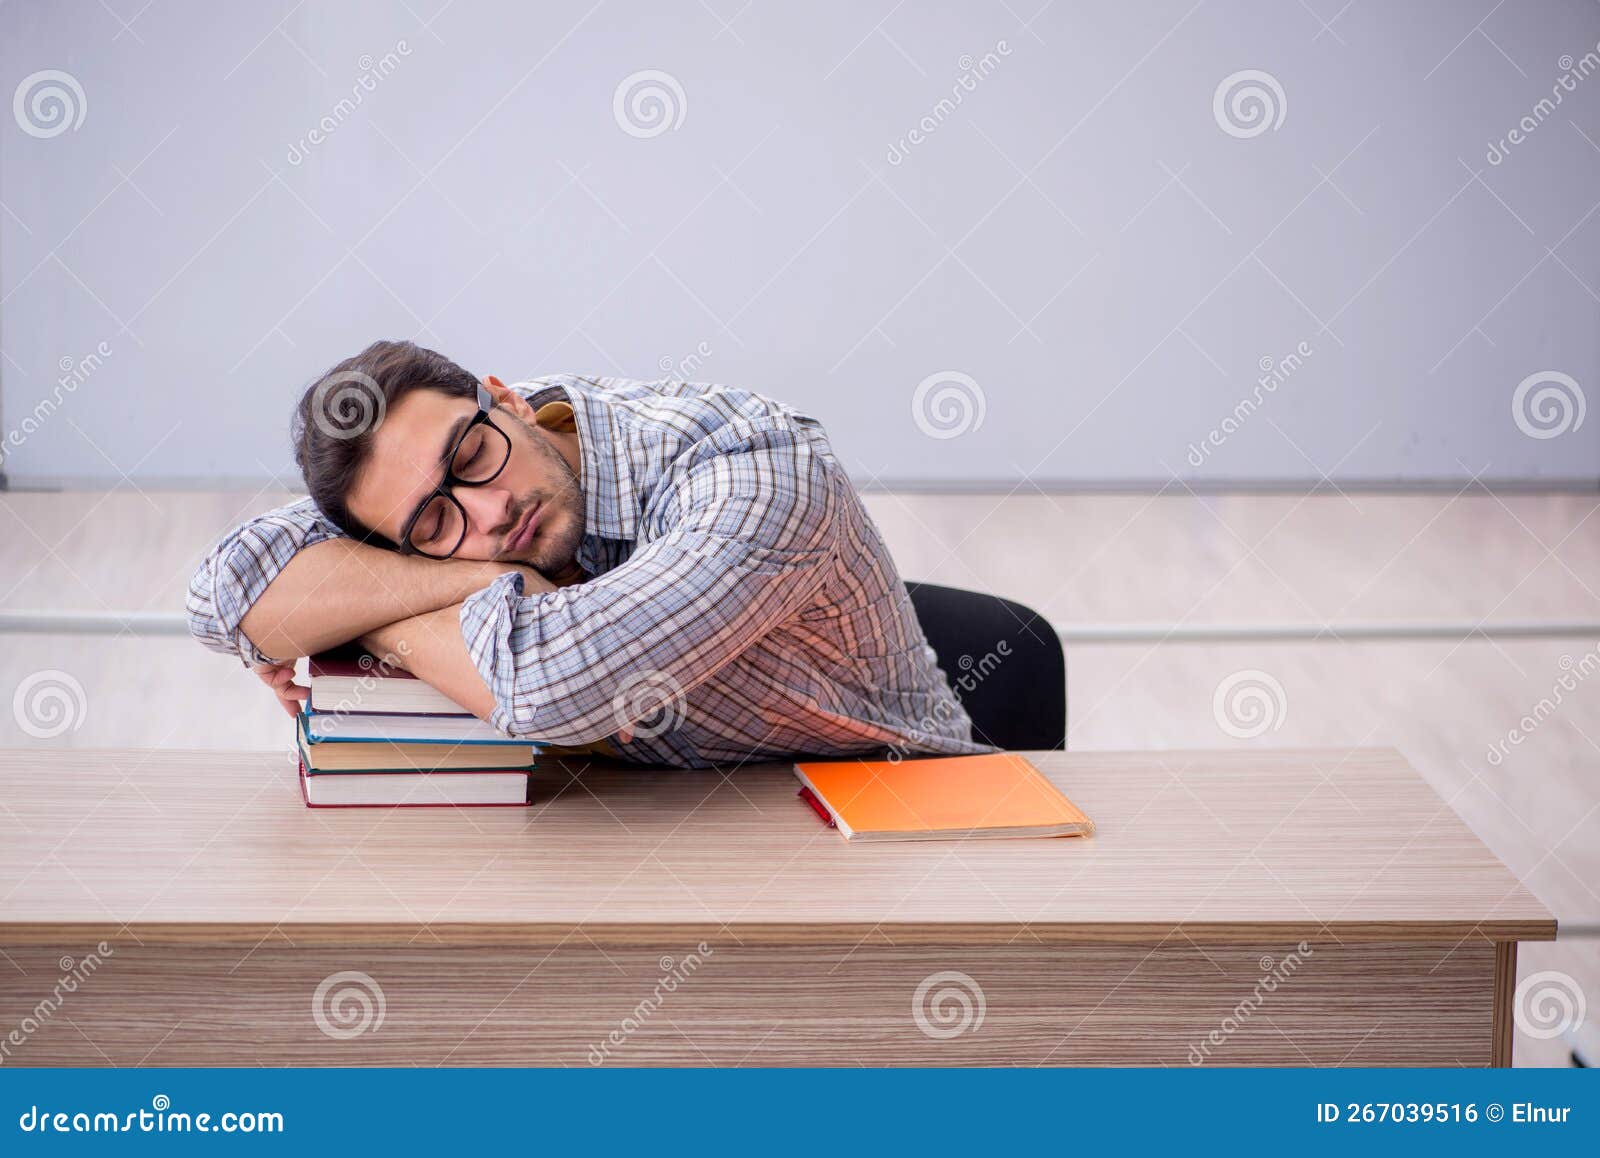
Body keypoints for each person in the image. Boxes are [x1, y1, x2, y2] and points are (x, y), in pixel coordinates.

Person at [185, 340, 990, 769]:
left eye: (472, 456)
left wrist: (359, 621)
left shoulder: (756, 466)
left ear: (506, 399)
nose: (491, 511)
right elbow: (224, 594)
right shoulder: (420, 478)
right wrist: (483, 579)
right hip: (663, 836)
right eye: (433, 523)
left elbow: (548, 687)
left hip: (905, 823)